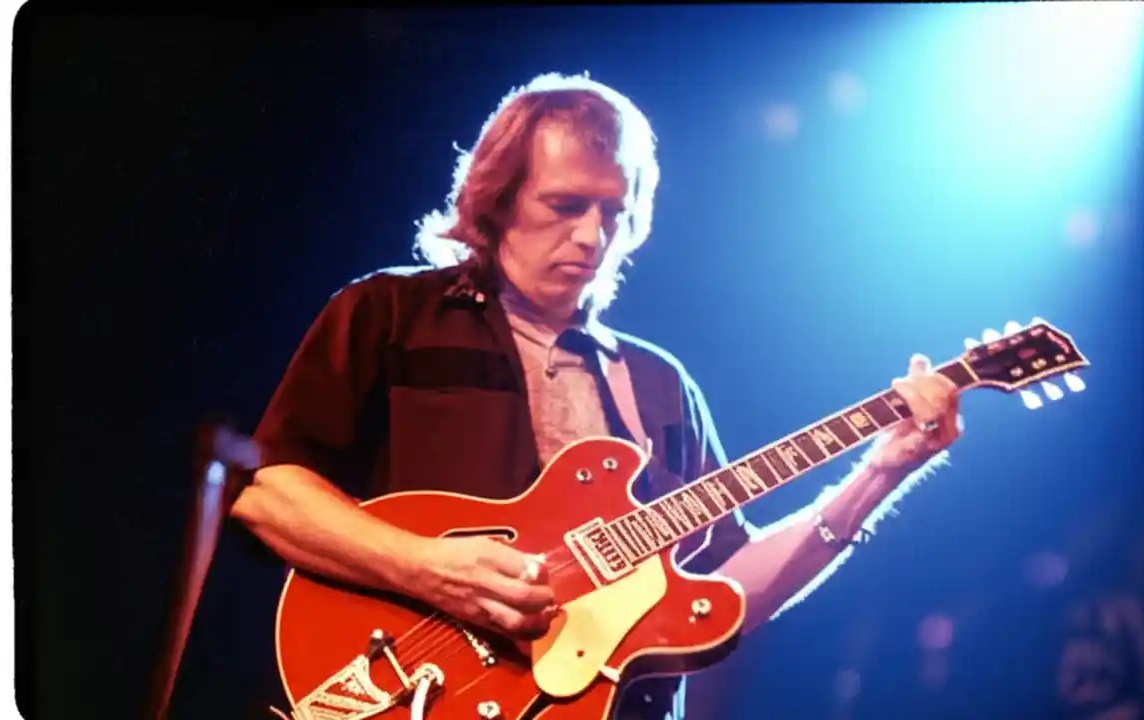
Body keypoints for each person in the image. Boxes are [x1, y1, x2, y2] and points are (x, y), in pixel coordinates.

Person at [229, 72, 962, 720]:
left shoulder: (657, 386)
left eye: (613, 211)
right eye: (565, 204)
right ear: (498, 198)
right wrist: (428, 568)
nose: (592, 235)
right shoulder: (389, 317)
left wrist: (880, 473)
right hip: (411, 682)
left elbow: (726, 592)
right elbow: (269, 496)